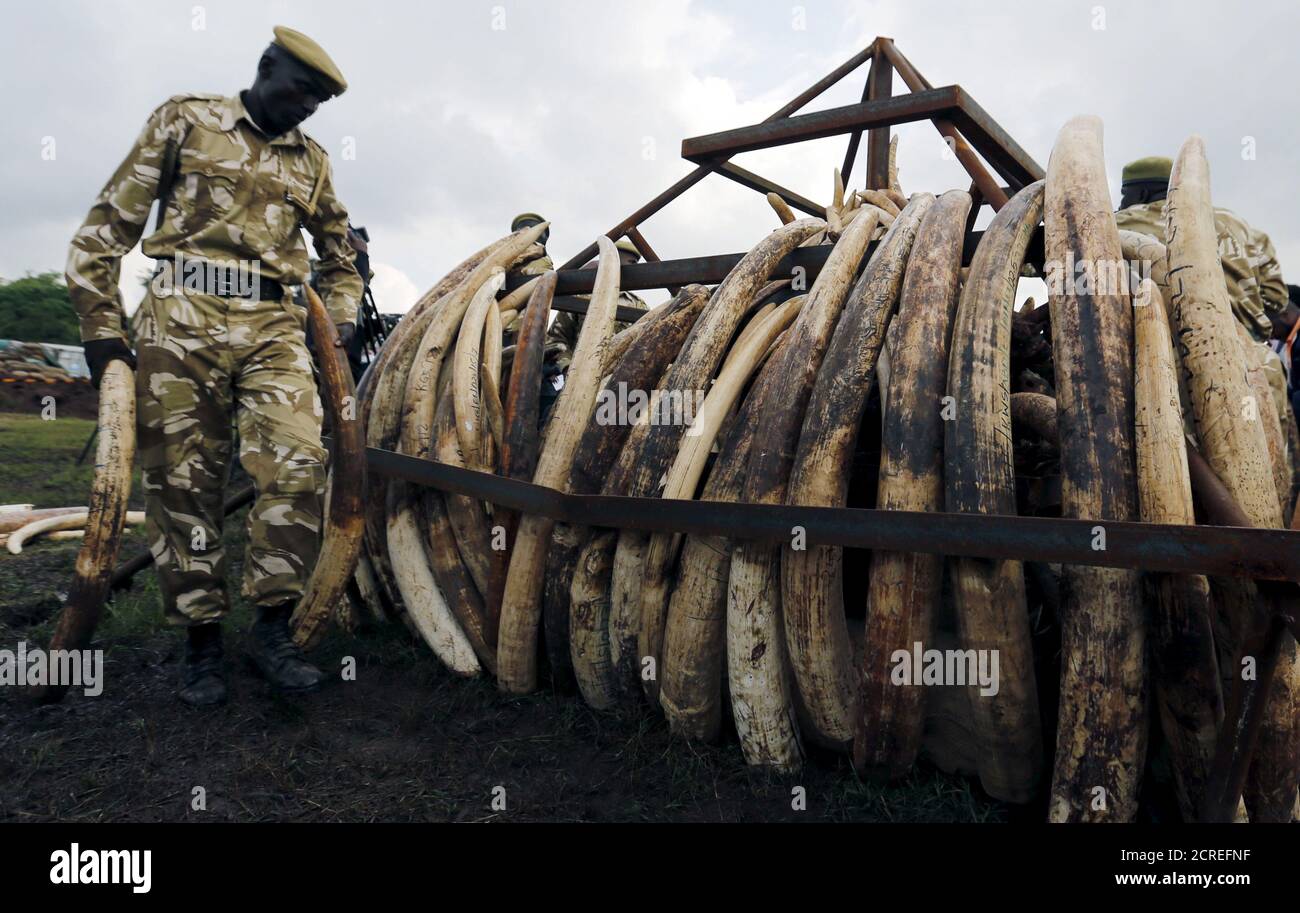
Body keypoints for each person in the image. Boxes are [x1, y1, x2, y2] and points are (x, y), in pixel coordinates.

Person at [65, 26, 363, 707]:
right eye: (299, 91)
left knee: (297, 463)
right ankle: (200, 639)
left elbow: (341, 256)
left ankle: (271, 626)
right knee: (182, 480)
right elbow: (106, 229)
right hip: (180, 313)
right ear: (265, 67)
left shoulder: (312, 162)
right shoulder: (185, 119)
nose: (306, 108)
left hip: (270, 324)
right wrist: (103, 334)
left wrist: (339, 320)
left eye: (318, 102)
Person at [1115, 156, 1290, 420]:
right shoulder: (1241, 227)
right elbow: (1277, 300)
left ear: (1141, 192)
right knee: (1269, 458)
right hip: (1258, 370)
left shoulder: (1120, 223)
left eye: (1124, 195)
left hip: (1175, 372)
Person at [544, 237, 648, 371]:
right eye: (631, 262)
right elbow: (556, 339)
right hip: (580, 377)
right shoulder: (581, 298)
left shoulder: (638, 304)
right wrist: (568, 367)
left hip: (622, 379)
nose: (636, 268)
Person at [501, 212, 552, 349]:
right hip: (503, 327)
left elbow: (537, 296)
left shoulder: (540, 259)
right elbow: (495, 288)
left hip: (518, 331)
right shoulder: (502, 258)